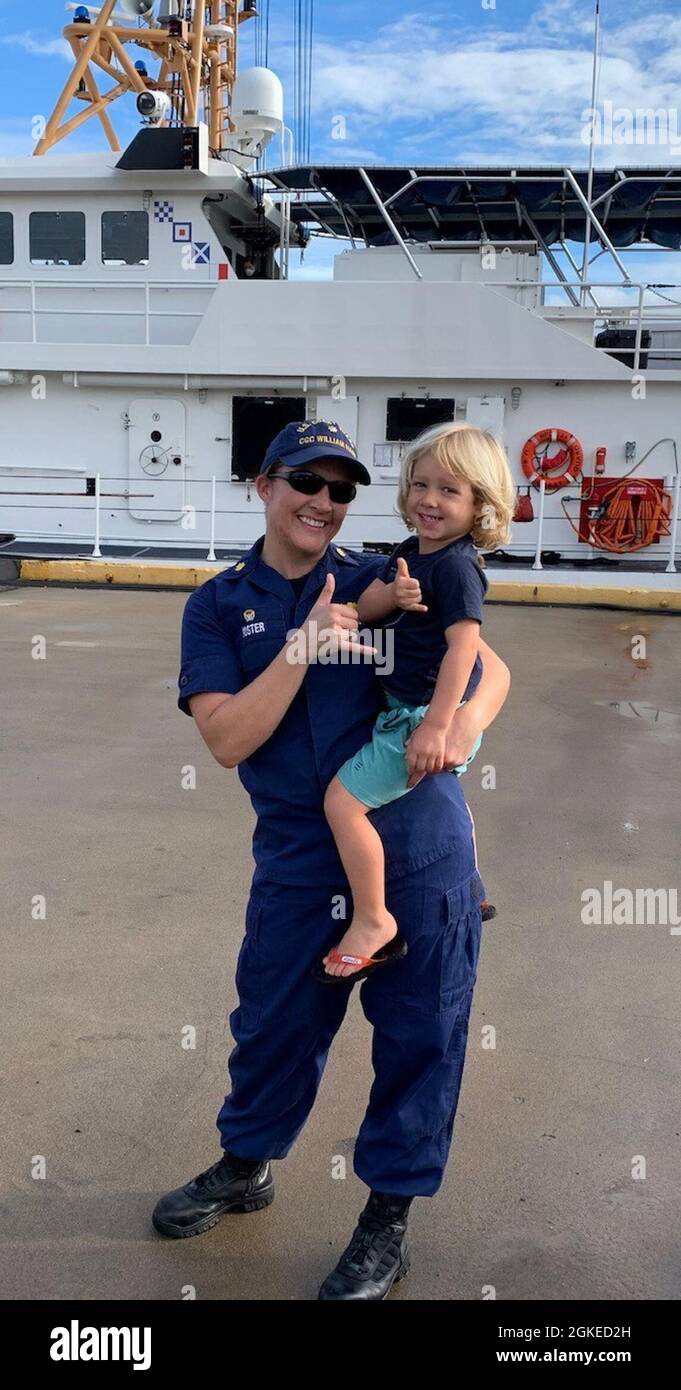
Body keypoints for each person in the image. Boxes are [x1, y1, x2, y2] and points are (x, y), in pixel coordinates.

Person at [152, 419, 511, 1300]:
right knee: (273, 1023)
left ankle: (386, 1215)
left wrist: (454, 728)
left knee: (421, 1037)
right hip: (300, 862)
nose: (323, 502)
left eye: (341, 488)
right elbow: (229, 739)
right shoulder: (215, 604)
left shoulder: (383, 576)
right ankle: (246, 1164)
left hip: (418, 849)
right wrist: (303, 646)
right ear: (263, 486)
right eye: (305, 482)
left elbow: (491, 669)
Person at [322, 423, 514, 979]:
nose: (429, 500)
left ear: (479, 503)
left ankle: (373, 919)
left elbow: (464, 651)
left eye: (449, 490)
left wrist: (437, 726)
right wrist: (392, 595)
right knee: (449, 799)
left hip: (419, 720)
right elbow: (373, 607)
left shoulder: (456, 568)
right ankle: (470, 882)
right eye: (420, 485)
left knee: (343, 804)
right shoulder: (416, 553)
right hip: (415, 711)